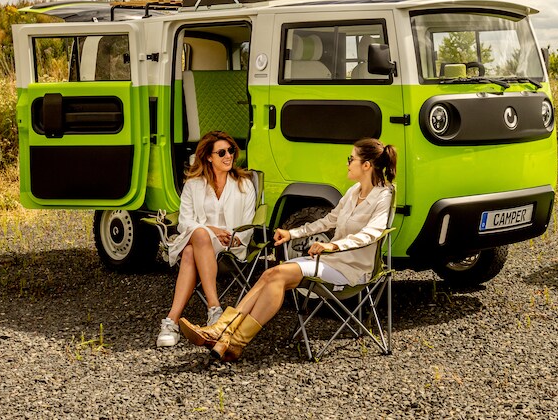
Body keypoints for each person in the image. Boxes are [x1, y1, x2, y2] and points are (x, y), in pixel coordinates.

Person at [178, 138, 397, 361]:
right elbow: (328, 221)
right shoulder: (353, 192)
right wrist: (292, 233)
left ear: (366, 165)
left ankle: (227, 335)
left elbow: (372, 233)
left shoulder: (383, 196)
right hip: (331, 262)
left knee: (279, 274)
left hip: (353, 270)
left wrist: (332, 245)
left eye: (351, 159)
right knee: (271, 274)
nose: (348, 163)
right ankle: (228, 336)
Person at [156, 131, 256, 347]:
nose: (228, 156)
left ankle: (171, 321)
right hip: (199, 239)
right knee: (198, 237)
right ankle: (214, 309)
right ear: (209, 157)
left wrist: (236, 238)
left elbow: (249, 221)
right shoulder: (194, 185)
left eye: (231, 151)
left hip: (230, 245)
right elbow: (184, 222)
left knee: (190, 251)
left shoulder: (244, 184)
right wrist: (211, 229)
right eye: (222, 153)